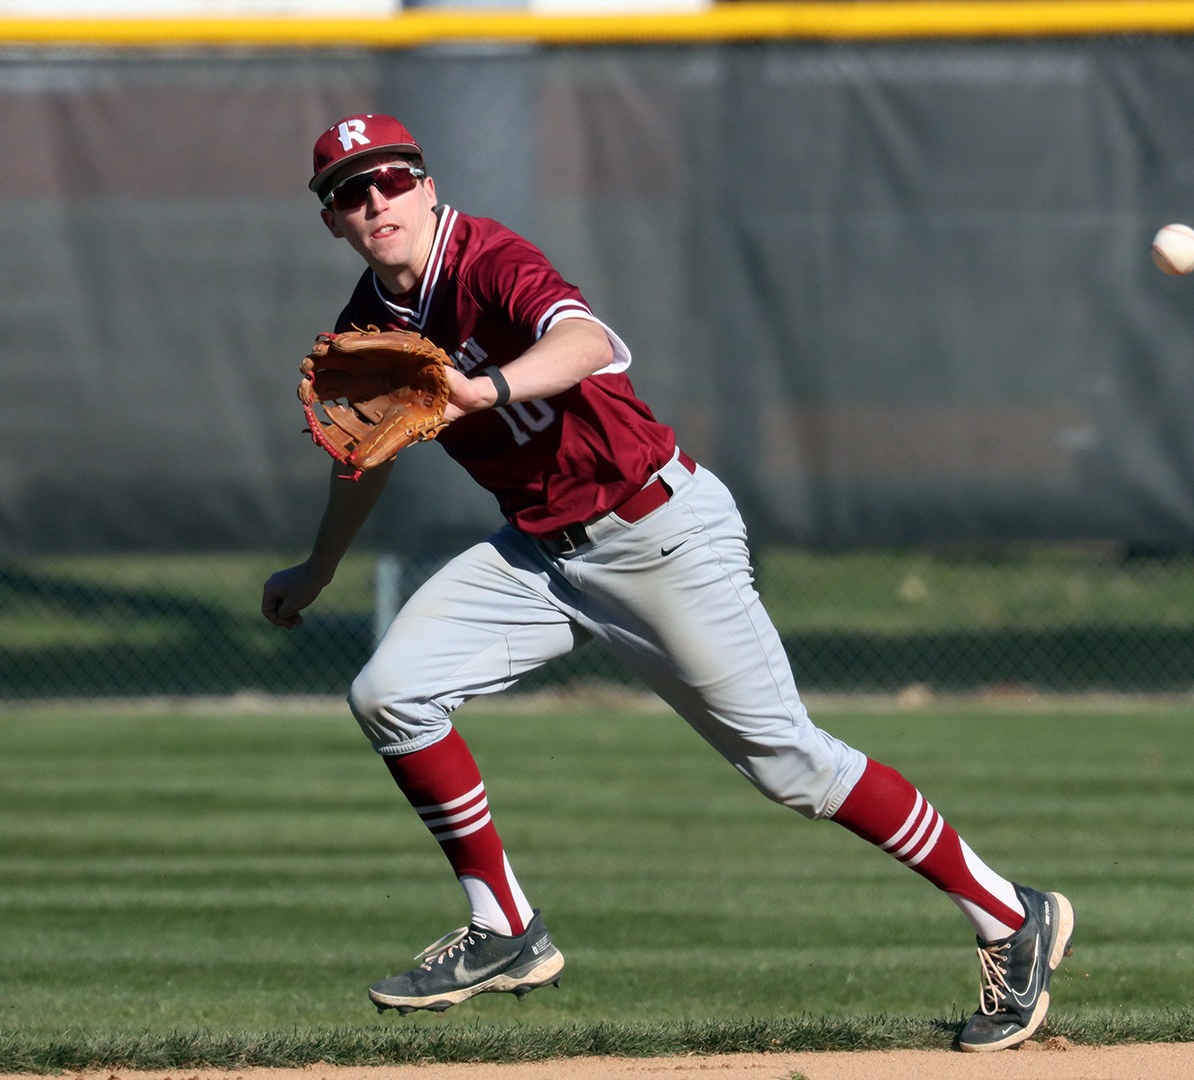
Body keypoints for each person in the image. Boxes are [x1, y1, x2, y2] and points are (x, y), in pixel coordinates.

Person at [260, 113, 1073, 1053]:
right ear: (334, 223)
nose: (376, 201)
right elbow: (366, 453)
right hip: (538, 555)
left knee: (792, 766)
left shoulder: (487, 260)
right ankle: (505, 928)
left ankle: (1012, 915)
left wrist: (489, 390)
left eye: (391, 180)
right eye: (351, 194)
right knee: (389, 694)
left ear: (426, 187)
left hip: (655, 534)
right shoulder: (370, 320)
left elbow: (586, 341)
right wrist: (320, 567)